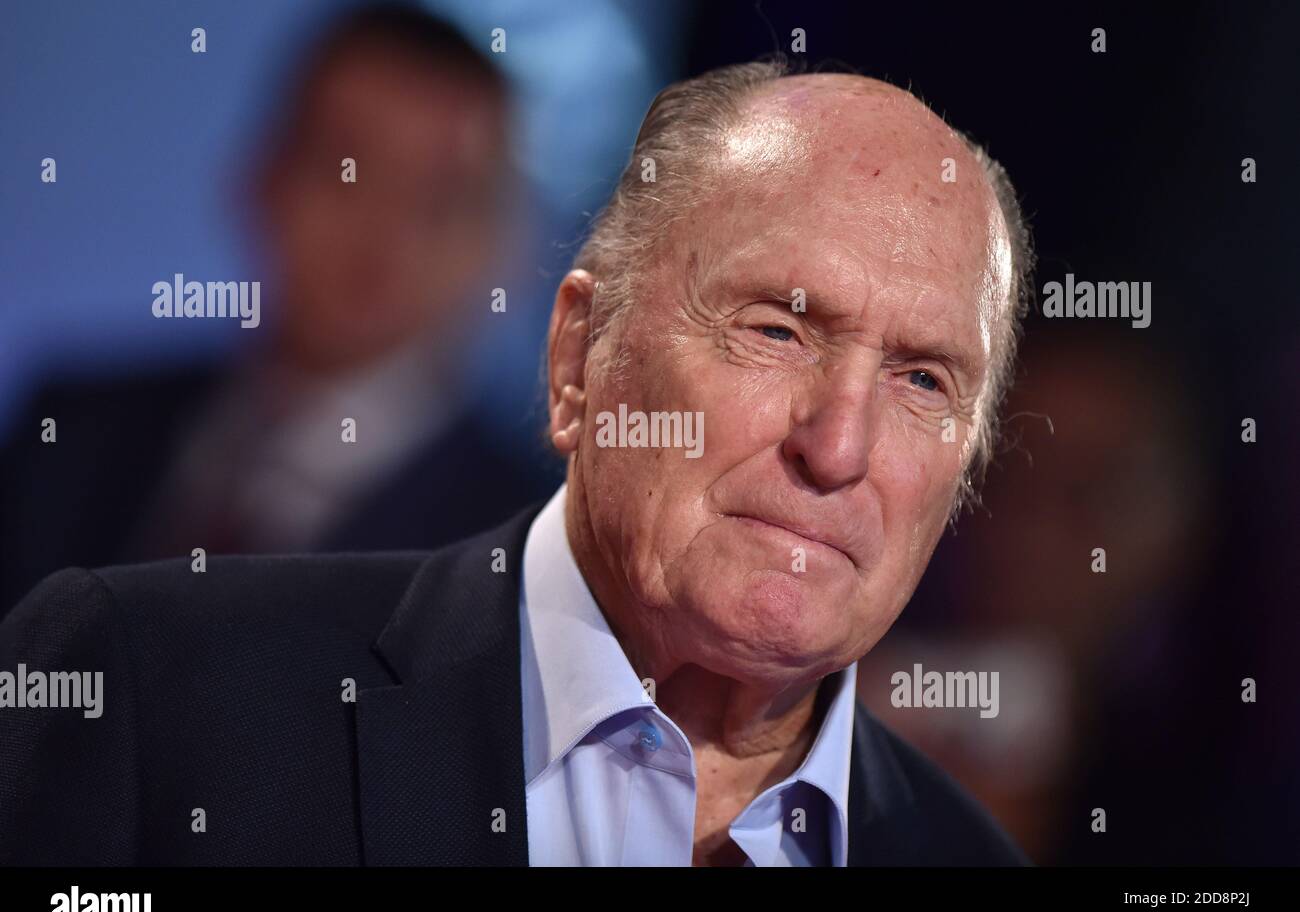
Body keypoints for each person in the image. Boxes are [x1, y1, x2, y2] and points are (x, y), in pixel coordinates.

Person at [0, 60, 1032, 866]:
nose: (838, 446)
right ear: (579, 357)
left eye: (924, 381)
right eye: (775, 330)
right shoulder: (146, 695)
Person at [0, 3, 555, 615]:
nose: (384, 233)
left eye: (441, 200)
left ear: (500, 246)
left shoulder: (523, 551)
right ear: (262, 177)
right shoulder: (70, 433)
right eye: (347, 170)